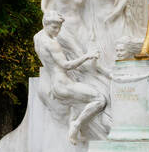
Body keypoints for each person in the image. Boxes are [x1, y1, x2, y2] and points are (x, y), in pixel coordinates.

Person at [34, 11, 106, 145]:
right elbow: (66, 65)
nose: (57, 31)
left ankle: (78, 129)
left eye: (59, 28)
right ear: (45, 24)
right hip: (63, 85)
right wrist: (87, 56)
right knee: (99, 99)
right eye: (54, 27)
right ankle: (76, 125)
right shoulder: (52, 44)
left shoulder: (37, 37)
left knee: (78, 102)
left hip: (56, 85)